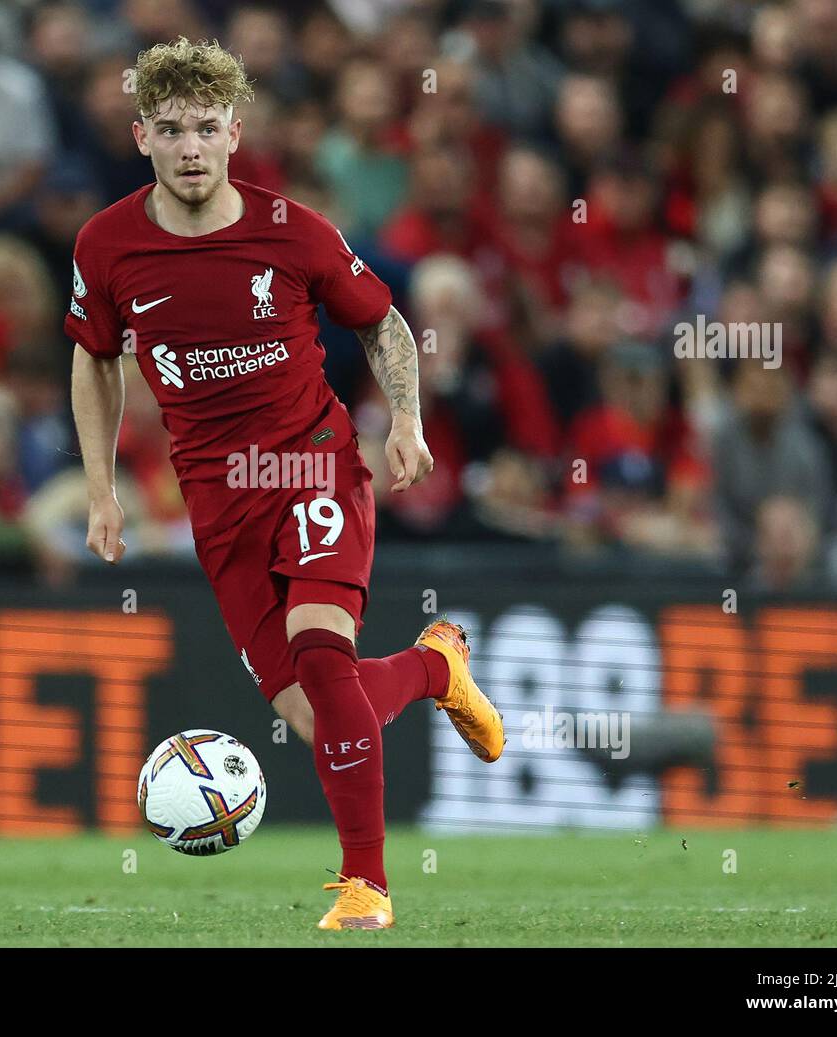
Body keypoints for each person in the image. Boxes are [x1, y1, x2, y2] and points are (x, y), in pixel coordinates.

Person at [66, 37, 505, 930]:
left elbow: (383, 323)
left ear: (236, 133)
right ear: (142, 135)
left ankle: (367, 885)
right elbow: (95, 359)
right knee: (318, 713)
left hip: (312, 464)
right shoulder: (106, 244)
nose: (192, 147)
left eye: (208, 128)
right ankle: (434, 667)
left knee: (320, 652)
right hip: (215, 498)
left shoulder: (293, 231)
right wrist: (102, 487)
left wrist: (408, 421)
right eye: (173, 129)